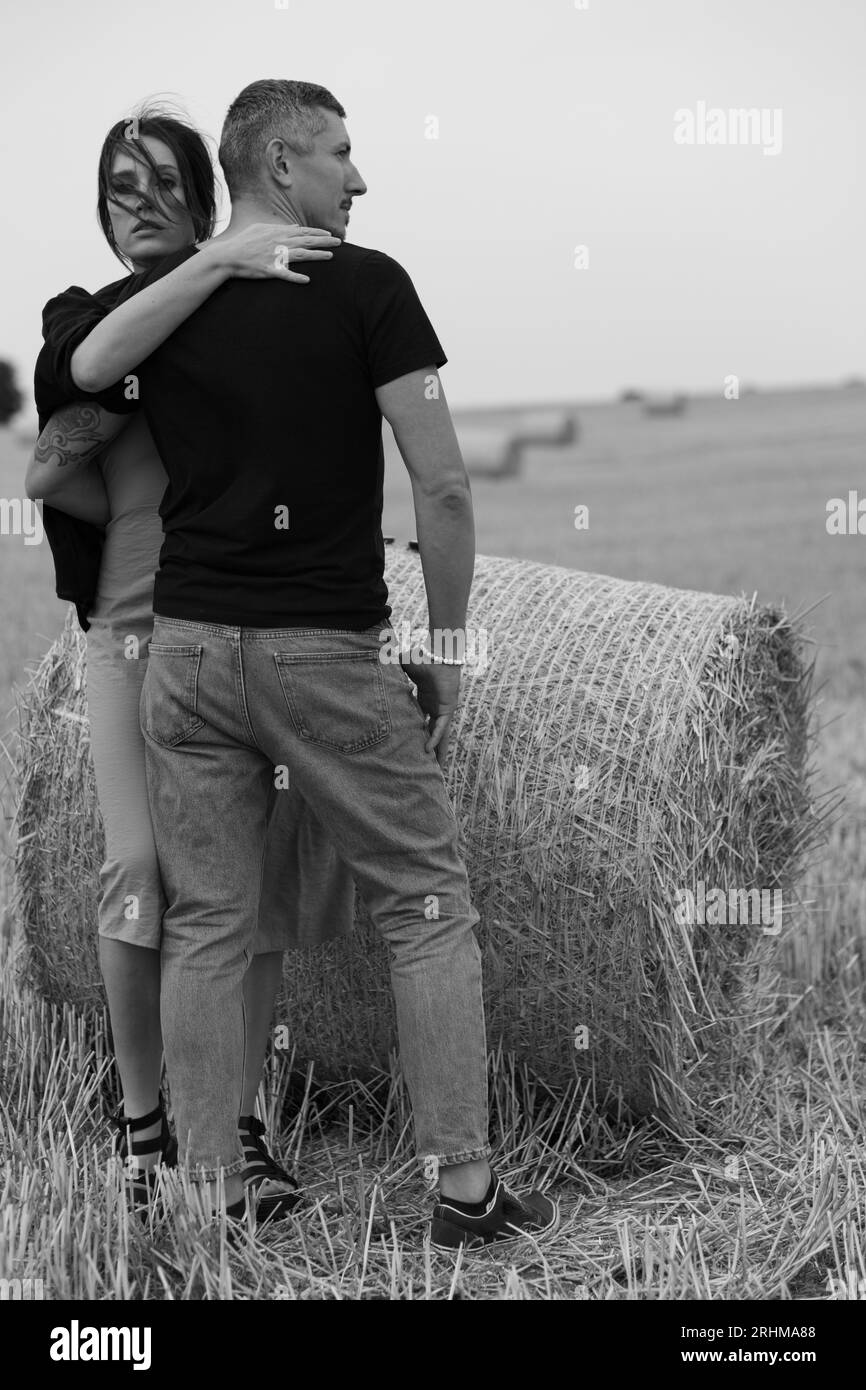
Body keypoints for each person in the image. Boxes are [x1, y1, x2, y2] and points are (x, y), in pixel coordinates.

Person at [37, 79, 559, 1250]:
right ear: (278, 161)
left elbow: (80, 373)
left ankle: (212, 1188)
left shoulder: (165, 309)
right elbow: (445, 487)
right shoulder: (368, 287)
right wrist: (450, 649)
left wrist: (206, 269)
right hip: (320, 648)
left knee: (213, 919)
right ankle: (465, 1189)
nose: (357, 179)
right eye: (338, 154)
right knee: (426, 903)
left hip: (185, 657)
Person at [27, 106, 354, 1220]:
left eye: (163, 181)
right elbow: (47, 468)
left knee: (248, 895)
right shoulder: (87, 317)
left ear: (206, 196)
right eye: (120, 184)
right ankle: (144, 1128)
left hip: (241, 634)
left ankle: (239, 1124)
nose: (139, 203)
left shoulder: (253, 313)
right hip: (130, 641)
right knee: (138, 876)